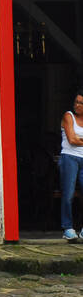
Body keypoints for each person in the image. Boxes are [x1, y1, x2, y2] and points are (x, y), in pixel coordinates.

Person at [59, 92, 83, 240]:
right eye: (76, 102)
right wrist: (78, 138)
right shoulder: (69, 116)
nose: (77, 105)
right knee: (68, 194)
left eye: (81, 103)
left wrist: (79, 138)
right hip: (70, 158)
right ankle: (67, 228)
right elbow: (72, 140)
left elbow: (76, 138)